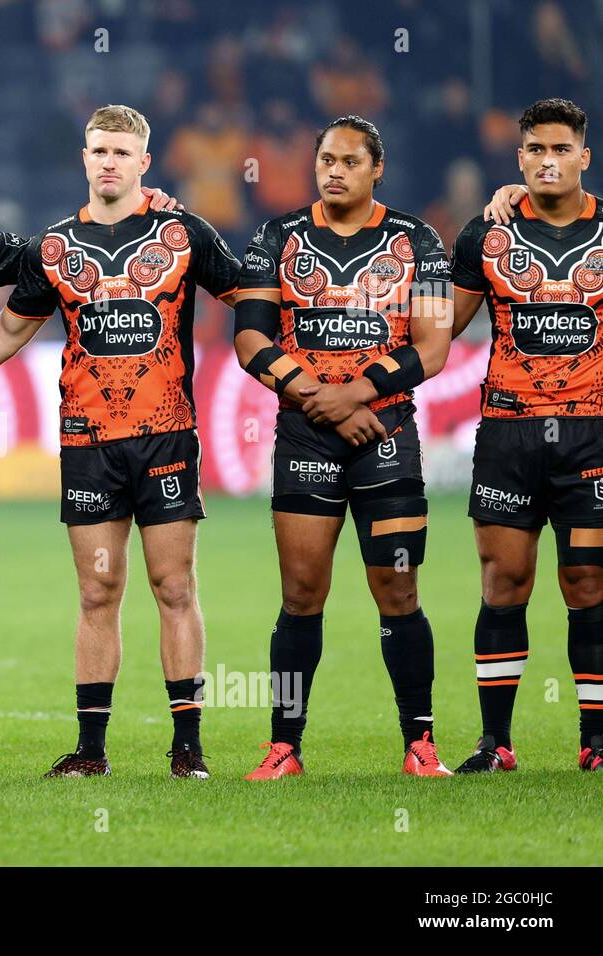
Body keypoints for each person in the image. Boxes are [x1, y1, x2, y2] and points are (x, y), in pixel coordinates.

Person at [0, 105, 240, 780]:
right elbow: (10, 331)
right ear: (84, 157)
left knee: (174, 587)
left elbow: (245, 289)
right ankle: (92, 752)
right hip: (88, 443)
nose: (108, 162)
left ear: (143, 163)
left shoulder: (183, 233)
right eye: (99, 150)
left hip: (165, 437)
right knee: (99, 593)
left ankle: (187, 748)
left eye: (121, 153)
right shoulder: (57, 246)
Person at [232, 115, 454, 779]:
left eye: (349, 161)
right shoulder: (276, 235)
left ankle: (420, 744)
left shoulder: (419, 240)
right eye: (326, 158)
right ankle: (284, 748)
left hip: (384, 432)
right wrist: (317, 397)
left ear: (376, 168)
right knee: (301, 592)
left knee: (399, 587)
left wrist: (355, 393)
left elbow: (434, 346)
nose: (334, 170)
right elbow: (249, 339)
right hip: (306, 431)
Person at [449, 98, 603, 774]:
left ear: (583, 157)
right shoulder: (485, 236)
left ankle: (595, 742)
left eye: (560, 149)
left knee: (589, 582)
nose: (547, 160)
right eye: (535, 150)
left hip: (592, 438)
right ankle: (495, 743)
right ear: (519, 159)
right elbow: (442, 327)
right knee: (504, 580)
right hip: (509, 436)